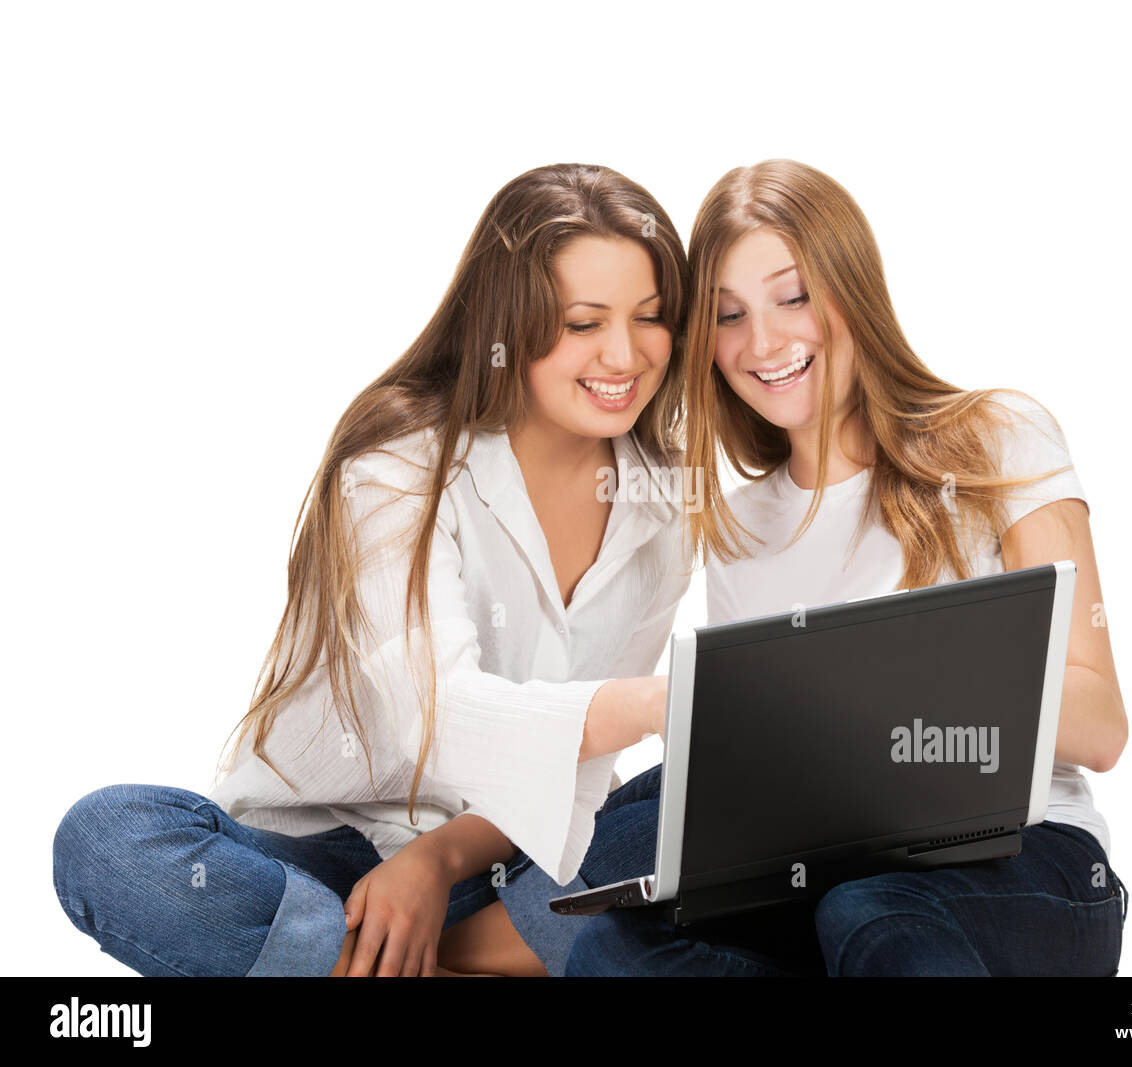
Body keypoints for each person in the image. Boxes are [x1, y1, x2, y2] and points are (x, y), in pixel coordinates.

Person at [53, 163, 691, 977]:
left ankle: (423, 962)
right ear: (511, 323)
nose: (624, 353)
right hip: (312, 862)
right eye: (582, 322)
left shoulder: (662, 507)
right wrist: (647, 703)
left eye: (650, 318)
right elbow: (445, 714)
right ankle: (383, 957)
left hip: (492, 866)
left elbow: (577, 775)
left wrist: (434, 864)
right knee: (106, 837)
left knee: (723, 786)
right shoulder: (396, 468)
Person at [565, 159, 1130, 977]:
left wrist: (866, 707)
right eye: (729, 315)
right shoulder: (740, 526)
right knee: (613, 942)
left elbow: (1103, 724)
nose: (764, 343)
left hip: (1028, 865)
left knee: (871, 911)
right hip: (825, 871)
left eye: (792, 297)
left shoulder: (998, 436)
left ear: (850, 287)